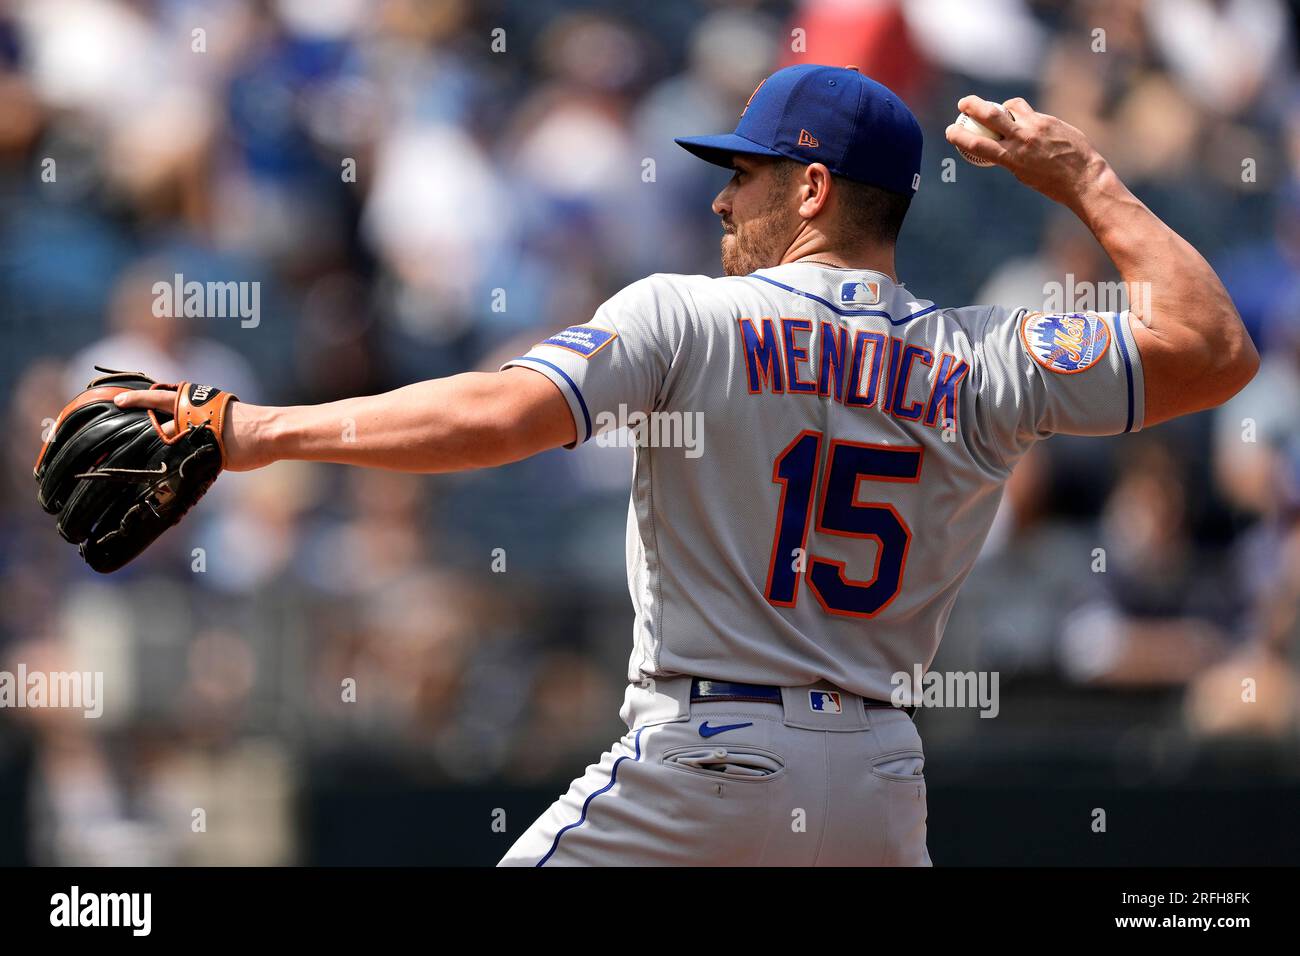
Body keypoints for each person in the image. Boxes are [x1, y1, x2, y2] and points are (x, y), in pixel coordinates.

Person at [115, 64, 1258, 865]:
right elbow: (1214, 349)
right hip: (875, 782)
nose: (720, 195)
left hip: (704, 758)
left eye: (748, 174)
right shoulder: (981, 356)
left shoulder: (688, 316)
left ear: (811, 189)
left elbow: (500, 412)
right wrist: (1087, 181)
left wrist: (260, 431)